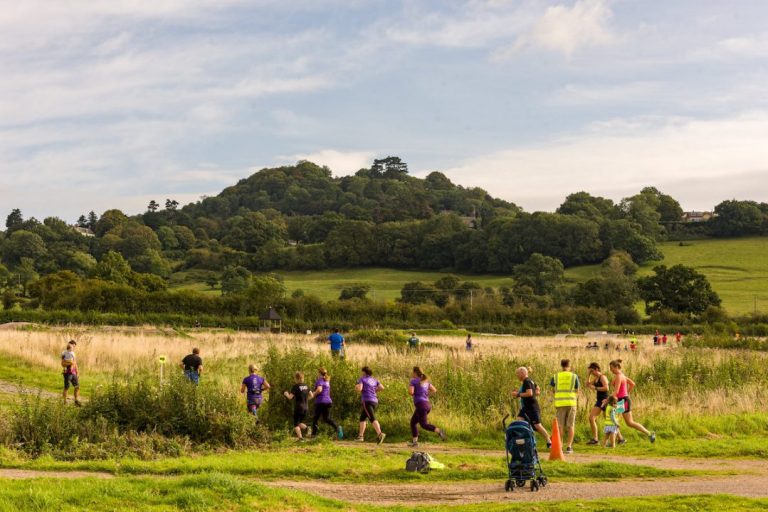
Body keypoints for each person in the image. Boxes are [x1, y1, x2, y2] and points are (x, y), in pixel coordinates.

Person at [604, 359, 655, 443]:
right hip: (621, 400)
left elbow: (616, 391)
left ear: (616, 367)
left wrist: (607, 400)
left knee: (629, 422)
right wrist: (626, 393)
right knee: (614, 420)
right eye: (610, 368)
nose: (610, 370)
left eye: (611, 368)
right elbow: (632, 384)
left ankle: (649, 433)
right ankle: (620, 439)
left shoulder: (619, 376)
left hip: (622, 401)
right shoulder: (621, 375)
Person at [512, 367, 551, 449]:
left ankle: (549, 440)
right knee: (519, 421)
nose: (517, 376)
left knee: (537, 425)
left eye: (518, 374)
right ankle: (524, 441)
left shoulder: (527, 381)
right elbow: (537, 388)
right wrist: (536, 393)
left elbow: (529, 393)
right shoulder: (530, 381)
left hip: (532, 407)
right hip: (525, 407)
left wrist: (518, 394)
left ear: (522, 373)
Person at [586, 362, 624, 446]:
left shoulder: (602, 377)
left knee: (609, 420)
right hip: (599, 401)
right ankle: (596, 439)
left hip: (605, 401)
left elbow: (606, 388)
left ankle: (620, 439)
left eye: (592, 371)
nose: (592, 373)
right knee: (592, 418)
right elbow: (587, 384)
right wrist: (588, 375)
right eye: (590, 372)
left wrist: (595, 388)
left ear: (596, 369)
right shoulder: (596, 378)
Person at [408, 366, 446, 447]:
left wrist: (416, 393)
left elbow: (411, 392)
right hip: (427, 405)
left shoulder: (413, 381)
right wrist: (426, 394)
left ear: (415, 372)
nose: (412, 374)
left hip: (421, 405)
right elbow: (434, 390)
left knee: (424, 425)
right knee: (413, 422)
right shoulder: (425, 381)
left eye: (412, 372)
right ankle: (415, 443)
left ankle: (439, 431)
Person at [550, 359, 579, 454]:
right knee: (570, 425)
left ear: (561, 365)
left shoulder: (556, 376)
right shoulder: (574, 376)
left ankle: (560, 446)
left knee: (560, 426)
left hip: (560, 403)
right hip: (571, 403)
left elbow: (552, 390)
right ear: (569, 365)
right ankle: (569, 447)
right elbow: (577, 390)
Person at [355, 366, 386, 444]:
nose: (361, 373)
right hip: (374, 400)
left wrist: (356, 387)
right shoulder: (374, 379)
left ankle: (380, 434)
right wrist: (374, 390)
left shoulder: (362, 379)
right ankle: (360, 436)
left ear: (364, 372)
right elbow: (382, 387)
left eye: (362, 372)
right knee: (362, 418)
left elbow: (360, 389)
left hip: (367, 400)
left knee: (372, 418)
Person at [311, 367, 343, 439]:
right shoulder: (327, 380)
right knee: (326, 418)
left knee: (315, 418)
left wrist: (313, 394)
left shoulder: (320, 380)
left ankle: (313, 435)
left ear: (319, 373)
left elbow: (319, 390)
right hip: (328, 401)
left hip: (320, 401)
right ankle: (337, 428)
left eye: (317, 372)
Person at [284, 372, 312, 441]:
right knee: (299, 423)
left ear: (297, 379)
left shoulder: (296, 386)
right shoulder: (306, 386)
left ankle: (300, 438)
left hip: (299, 407)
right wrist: (306, 399)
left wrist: (286, 394)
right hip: (306, 407)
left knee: (296, 424)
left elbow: (290, 397)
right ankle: (307, 428)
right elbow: (311, 395)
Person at [61, 340, 81, 407]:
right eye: (73, 346)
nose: (74, 347)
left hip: (74, 373)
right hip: (67, 373)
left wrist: (77, 372)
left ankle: (76, 401)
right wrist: (70, 363)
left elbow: (75, 362)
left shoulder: (73, 353)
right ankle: (65, 402)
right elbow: (62, 364)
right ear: (70, 345)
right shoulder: (64, 353)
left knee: (77, 386)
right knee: (66, 387)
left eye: (74, 346)